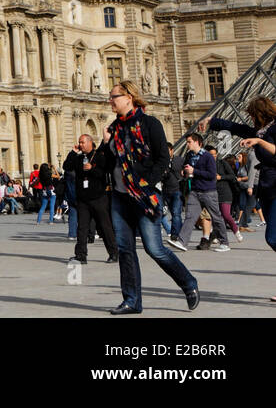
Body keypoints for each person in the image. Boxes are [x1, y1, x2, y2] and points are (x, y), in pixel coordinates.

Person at [99, 80, 199, 314]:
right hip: (120, 197)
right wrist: (105, 144)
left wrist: (147, 183)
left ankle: (188, 284)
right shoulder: (114, 129)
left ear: (128, 97)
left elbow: (163, 158)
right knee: (125, 249)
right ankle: (132, 300)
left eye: (113, 96)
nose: (110, 101)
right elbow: (105, 164)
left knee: (154, 248)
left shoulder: (150, 124)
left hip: (144, 195)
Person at [202, 99, 276, 277]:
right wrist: (211, 120)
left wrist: (259, 141)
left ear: (261, 113)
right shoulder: (259, 131)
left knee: (272, 237)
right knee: (272, 238)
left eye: (252, 115)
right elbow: (235, 127)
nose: (251, 119)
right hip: (267, 188)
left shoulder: (273, 129)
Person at [65, 134, 118, 265]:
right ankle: (81, 255)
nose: (80, 144)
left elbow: (103, 173)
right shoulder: (78, 158)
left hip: (98, 197)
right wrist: (73, 152)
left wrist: (92, 168)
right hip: (83, 199)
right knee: (82, 228)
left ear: (90, 143)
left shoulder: (99, 156)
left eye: (82, 142)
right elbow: (67, 166)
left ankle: (114, 253)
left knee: (104, 227)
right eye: (79, 142)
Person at [178, 133, 229, 252]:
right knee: (190, 217)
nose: (187, 144)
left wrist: (194, 171)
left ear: (197, 142)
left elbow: (212, 175)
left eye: (189, 141)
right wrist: (184, 172)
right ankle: (181, 242)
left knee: (216, 217)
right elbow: (187, 169)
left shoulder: (208, 157)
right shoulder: (189, 155)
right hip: (194, 191)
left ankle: (224, 243)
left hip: (208, 192)